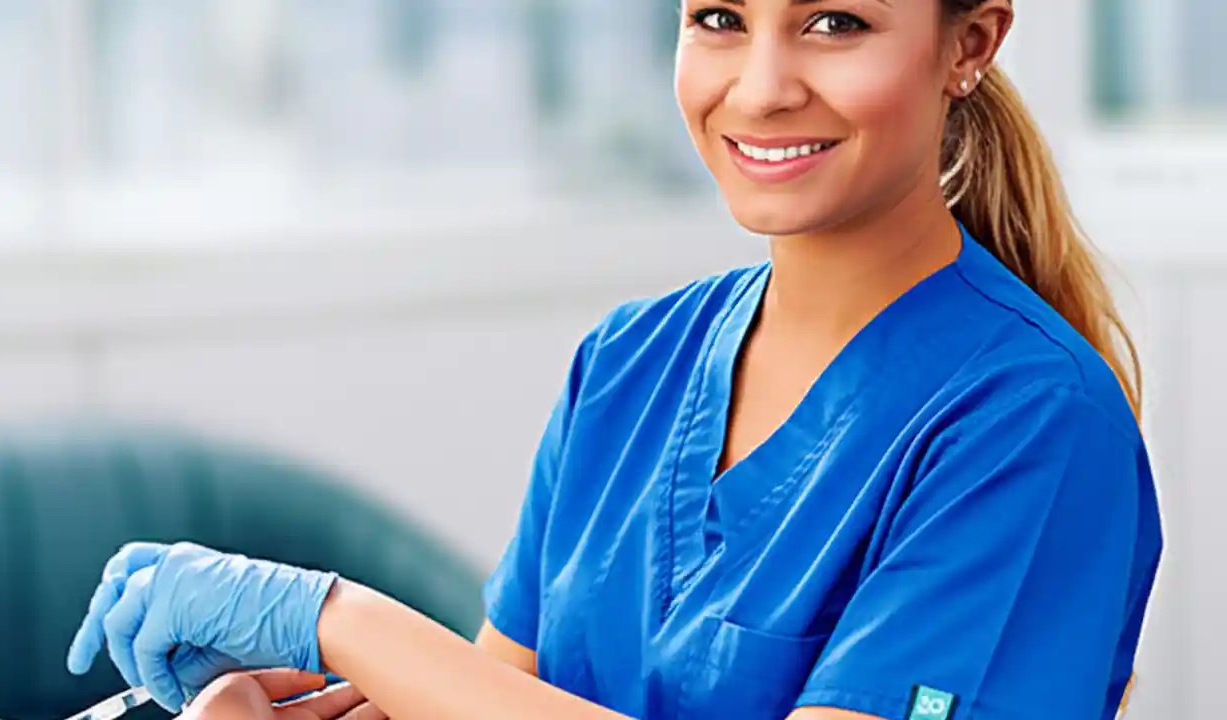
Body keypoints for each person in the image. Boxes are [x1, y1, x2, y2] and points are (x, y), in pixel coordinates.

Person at [64, 1, 1163, 718]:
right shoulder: (628, 365)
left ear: (966, 45)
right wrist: (297, 705)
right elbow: (500, 699)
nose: (761, 85)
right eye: (719, 19)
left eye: (833, 22)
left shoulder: (1029, 422)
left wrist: (334, 615)